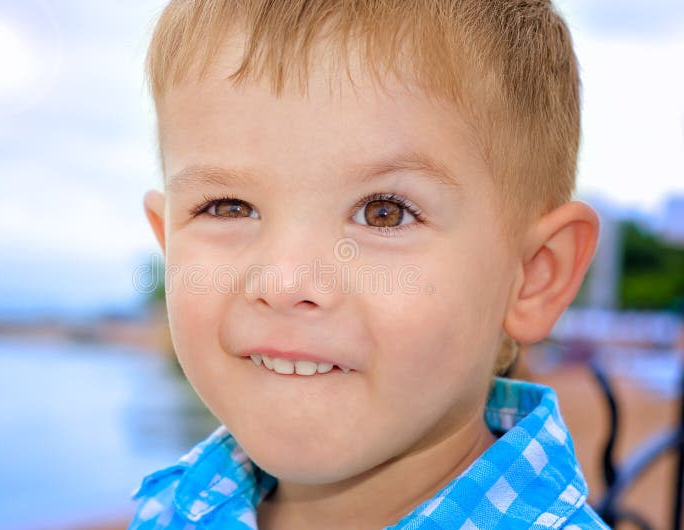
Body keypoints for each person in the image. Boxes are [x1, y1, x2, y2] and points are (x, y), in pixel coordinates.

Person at [128, 1, 609, 528]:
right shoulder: (167, 510)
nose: (284, 282)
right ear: (168, 242)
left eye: (384, 213)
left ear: (535, 276)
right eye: (227, 207)